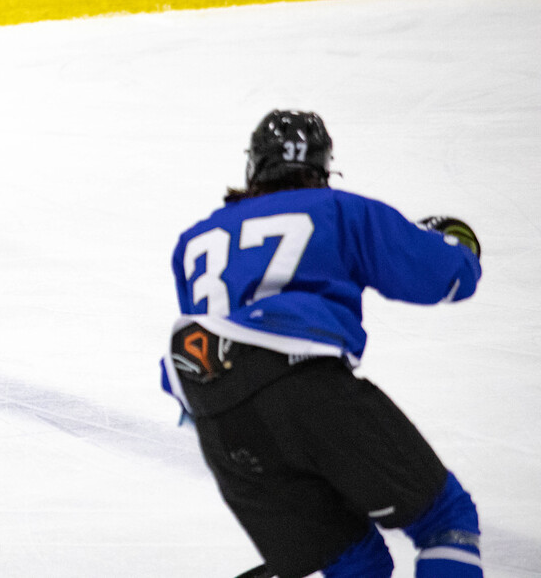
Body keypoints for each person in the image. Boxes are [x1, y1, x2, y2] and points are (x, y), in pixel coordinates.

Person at [164, 110, 484, 578]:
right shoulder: (338, 211)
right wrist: (456, 247)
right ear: (322, 168)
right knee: (445, 522)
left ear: (254, 168)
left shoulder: (194, 240)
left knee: (357, 562)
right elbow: (445, 277)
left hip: (218, 419)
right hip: (307, 387)